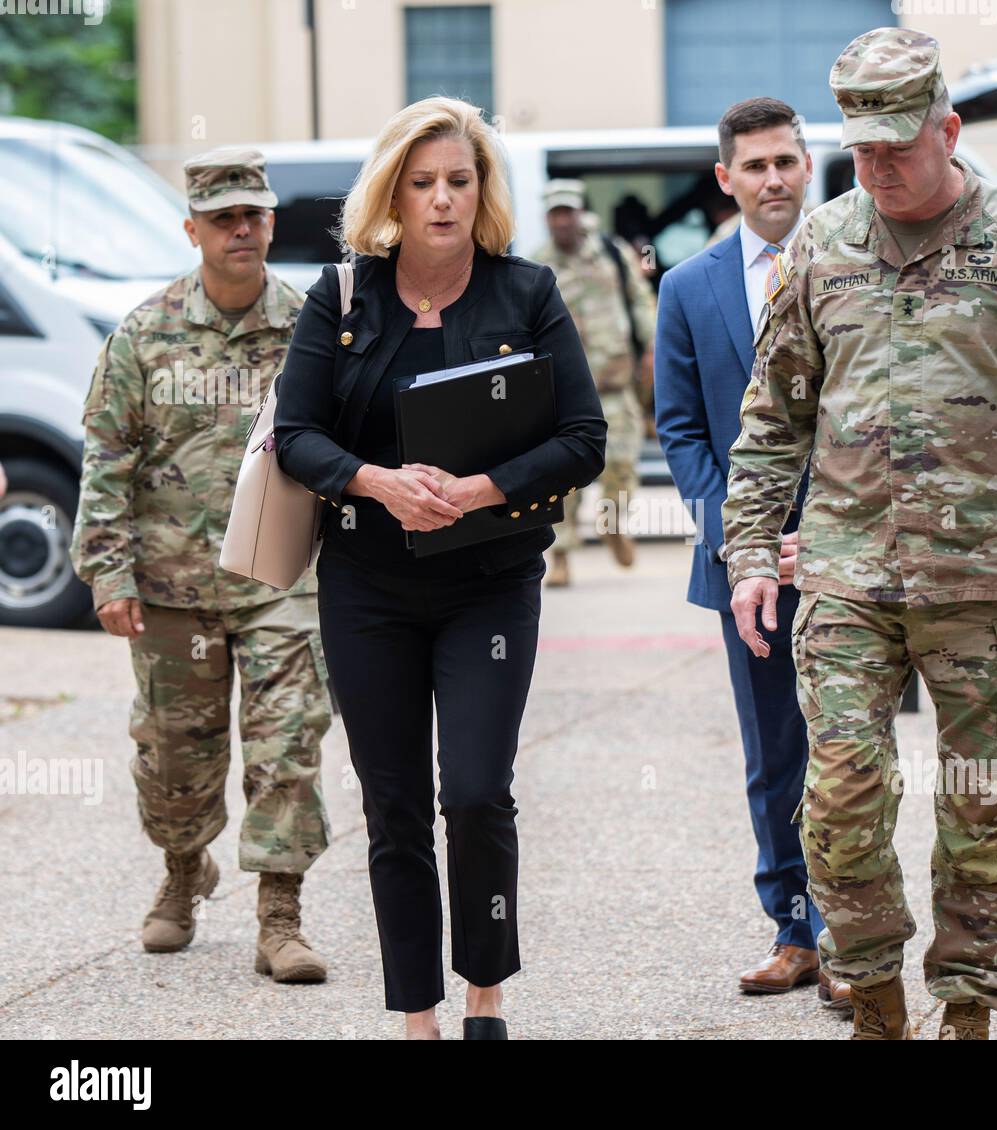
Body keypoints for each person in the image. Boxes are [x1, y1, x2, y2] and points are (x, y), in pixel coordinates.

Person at [722, 28, 997, 1040]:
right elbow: (771, 420)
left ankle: (966, 1007)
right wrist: (747, 551)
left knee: (984, 813)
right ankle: (873, 1002)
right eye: (860, 150)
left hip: (985, 584)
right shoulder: (821, 248)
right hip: (846, 581)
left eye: (897, 148)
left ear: (947, 130)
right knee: (837, 801)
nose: (875, 169)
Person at [273, 97, 605, 1040]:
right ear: (393, 192)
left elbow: (584, 438)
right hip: (367, 587)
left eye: (460, 181)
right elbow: (294, 434)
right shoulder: (344, 298)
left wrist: (479, 488)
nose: (443, 200)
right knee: (395, 807)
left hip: (489, 584)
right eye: (422, 184)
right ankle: (417, 1016)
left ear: (482, 190)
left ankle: (485, 998)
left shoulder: (526, 292)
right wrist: (375, 480)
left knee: (473, 791)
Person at [71, 148, 332, 982]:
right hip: (173, 582)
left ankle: (280, 915)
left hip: (279, 579)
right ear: (193, 230)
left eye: (254, 215)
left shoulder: (310, 327)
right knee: (175, 760)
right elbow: (107, 457)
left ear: (271, 222)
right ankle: (184, 873)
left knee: (288, 740)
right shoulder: (143, 333)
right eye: (224, 218)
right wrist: (106, 575)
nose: (242, 230)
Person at [656, 96, 849, 1012]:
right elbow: (682, 432)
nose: (774, 179)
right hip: (749, 570)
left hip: (852, 555)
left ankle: (858, 935)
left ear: (809, 167)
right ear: (726, 178)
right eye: (755, 165)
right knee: (774, 750)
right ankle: (794, 931)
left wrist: (838, 526)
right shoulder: (687, 289)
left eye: (788, 161)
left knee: (855, 751)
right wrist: (743, 538)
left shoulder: (858, 264)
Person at [531, 179, 656, 586]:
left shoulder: (612, 253)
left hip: (617, 386)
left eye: (568, 211)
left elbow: (638, 299)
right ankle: (562, 555)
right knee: (564, 480)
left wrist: (651, 345)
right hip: (563, 395)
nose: (562, 220)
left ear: (579, 212)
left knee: (621, 467)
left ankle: (613, 524)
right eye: (555, 213)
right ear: (547, 218)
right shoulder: (538, 266)